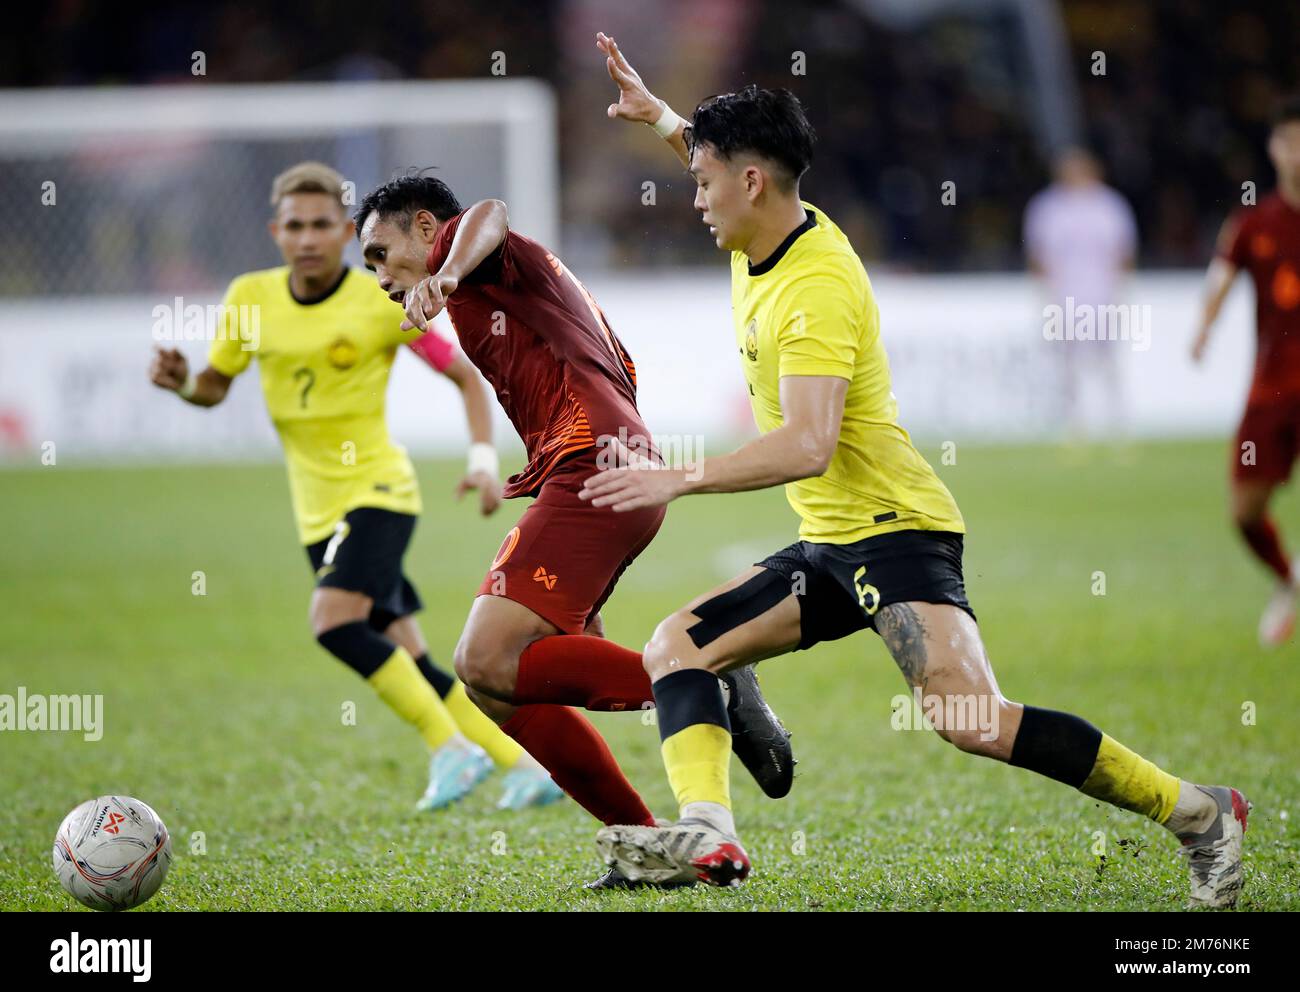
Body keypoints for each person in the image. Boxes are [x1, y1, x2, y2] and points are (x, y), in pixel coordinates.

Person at [581, 33, 1249, 908]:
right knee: (677, 647)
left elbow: (809, 444)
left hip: (895, 531)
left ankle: (1202, 814)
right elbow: (734, 170)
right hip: (831, 539)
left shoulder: (812, 286)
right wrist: (668, 119)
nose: (694, 198)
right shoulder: (763, 228)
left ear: (750, 183)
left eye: (703, 181)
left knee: (973, 721)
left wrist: (680, 475)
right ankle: (710, 832)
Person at [354, 170, 794, 887]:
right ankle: (653, 847)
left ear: (429, 230)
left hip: (593, 468)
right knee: (498, 688)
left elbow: (490, 212)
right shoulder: (507, 286)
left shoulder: (482, 253)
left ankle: (698, 674)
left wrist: (449, 273)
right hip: (601, 465)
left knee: (483, 659)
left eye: (381, 253)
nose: (378, 276)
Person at [149, 161, 561, 812]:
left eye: (321, 226)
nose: (308, 238)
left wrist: (483, 459)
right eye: (295, 226)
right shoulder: (249, 300)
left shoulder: (378, 299)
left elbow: (463, 376)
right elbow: (213, 389)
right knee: (412, 658)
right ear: (275, 231)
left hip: (378, 494)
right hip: (316, 512)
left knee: (333, 622)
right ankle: (528, 765)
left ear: (345, 233)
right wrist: (180, 383)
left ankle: (449, 747)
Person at [1192, 96, 1300, 648]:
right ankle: (1288, 580)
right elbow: (1222, 277)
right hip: (1274, 389)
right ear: (1274, 148)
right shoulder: (1254, 223)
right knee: (1245, 511)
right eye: (1289, 140)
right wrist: (1203, 329)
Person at [1024, 148, 1138, 441]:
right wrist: (1046, 292)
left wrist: (1119, 289)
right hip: (1064, 297)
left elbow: (1123, 252)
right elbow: (1038, 255)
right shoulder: (1047, 207)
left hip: (1102, 296)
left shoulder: (1109, 205)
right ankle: (1074, 424)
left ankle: (1118, 421)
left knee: (1107, 360)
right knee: (1067, 363)